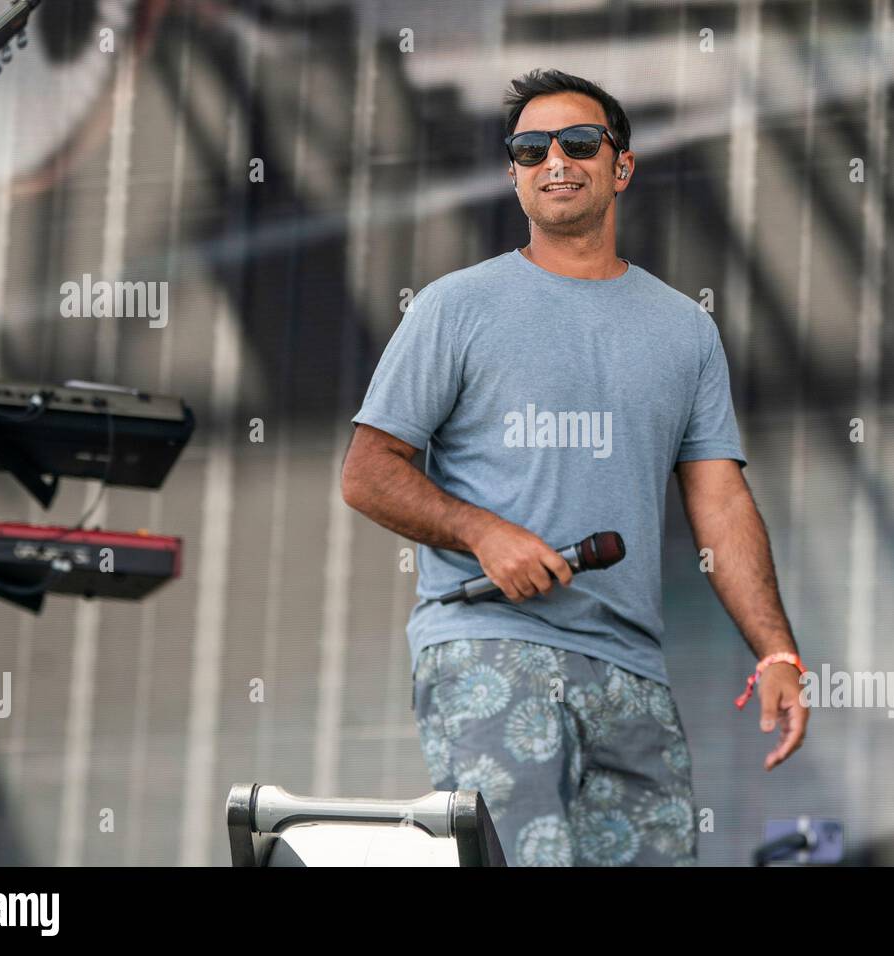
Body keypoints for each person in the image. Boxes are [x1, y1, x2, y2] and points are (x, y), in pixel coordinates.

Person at [342, 68, 806, 866]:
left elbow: (721, 500)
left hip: (630, 666)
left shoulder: (684, 330)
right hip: (490, 642)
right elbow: (367, 470)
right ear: (515, 173)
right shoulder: (457, 305)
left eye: (578, 142)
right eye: (530, 149)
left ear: (620, 166)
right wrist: (485, 534)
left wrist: (776, 652)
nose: (554, 160)